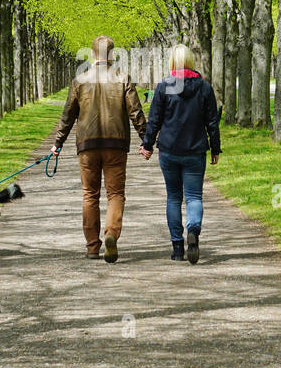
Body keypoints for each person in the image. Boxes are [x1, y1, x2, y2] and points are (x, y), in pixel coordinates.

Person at [52, 35, 147, 263]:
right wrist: (147, 140)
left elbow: (67, 115)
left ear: (92, 54)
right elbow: (135, 112)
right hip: (116, 144)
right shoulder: (122, 78)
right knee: (115, 194)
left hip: (88, 145)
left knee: (89, 195)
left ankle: (93, 247)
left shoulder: (80, 81)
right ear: (112, 54)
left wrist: (58, 143)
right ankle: (111, 233)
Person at [139, 43, 220, 263]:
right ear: (191, 61)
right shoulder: (204, 88)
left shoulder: (164, 86)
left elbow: (154, 120)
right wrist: (215, 148)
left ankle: (177, 247)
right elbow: (212, 122)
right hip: (195, 151)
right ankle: (193, 230)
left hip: (169, 150)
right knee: (194, 197)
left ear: (173, 62)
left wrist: (147, 145)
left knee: (174, 197)